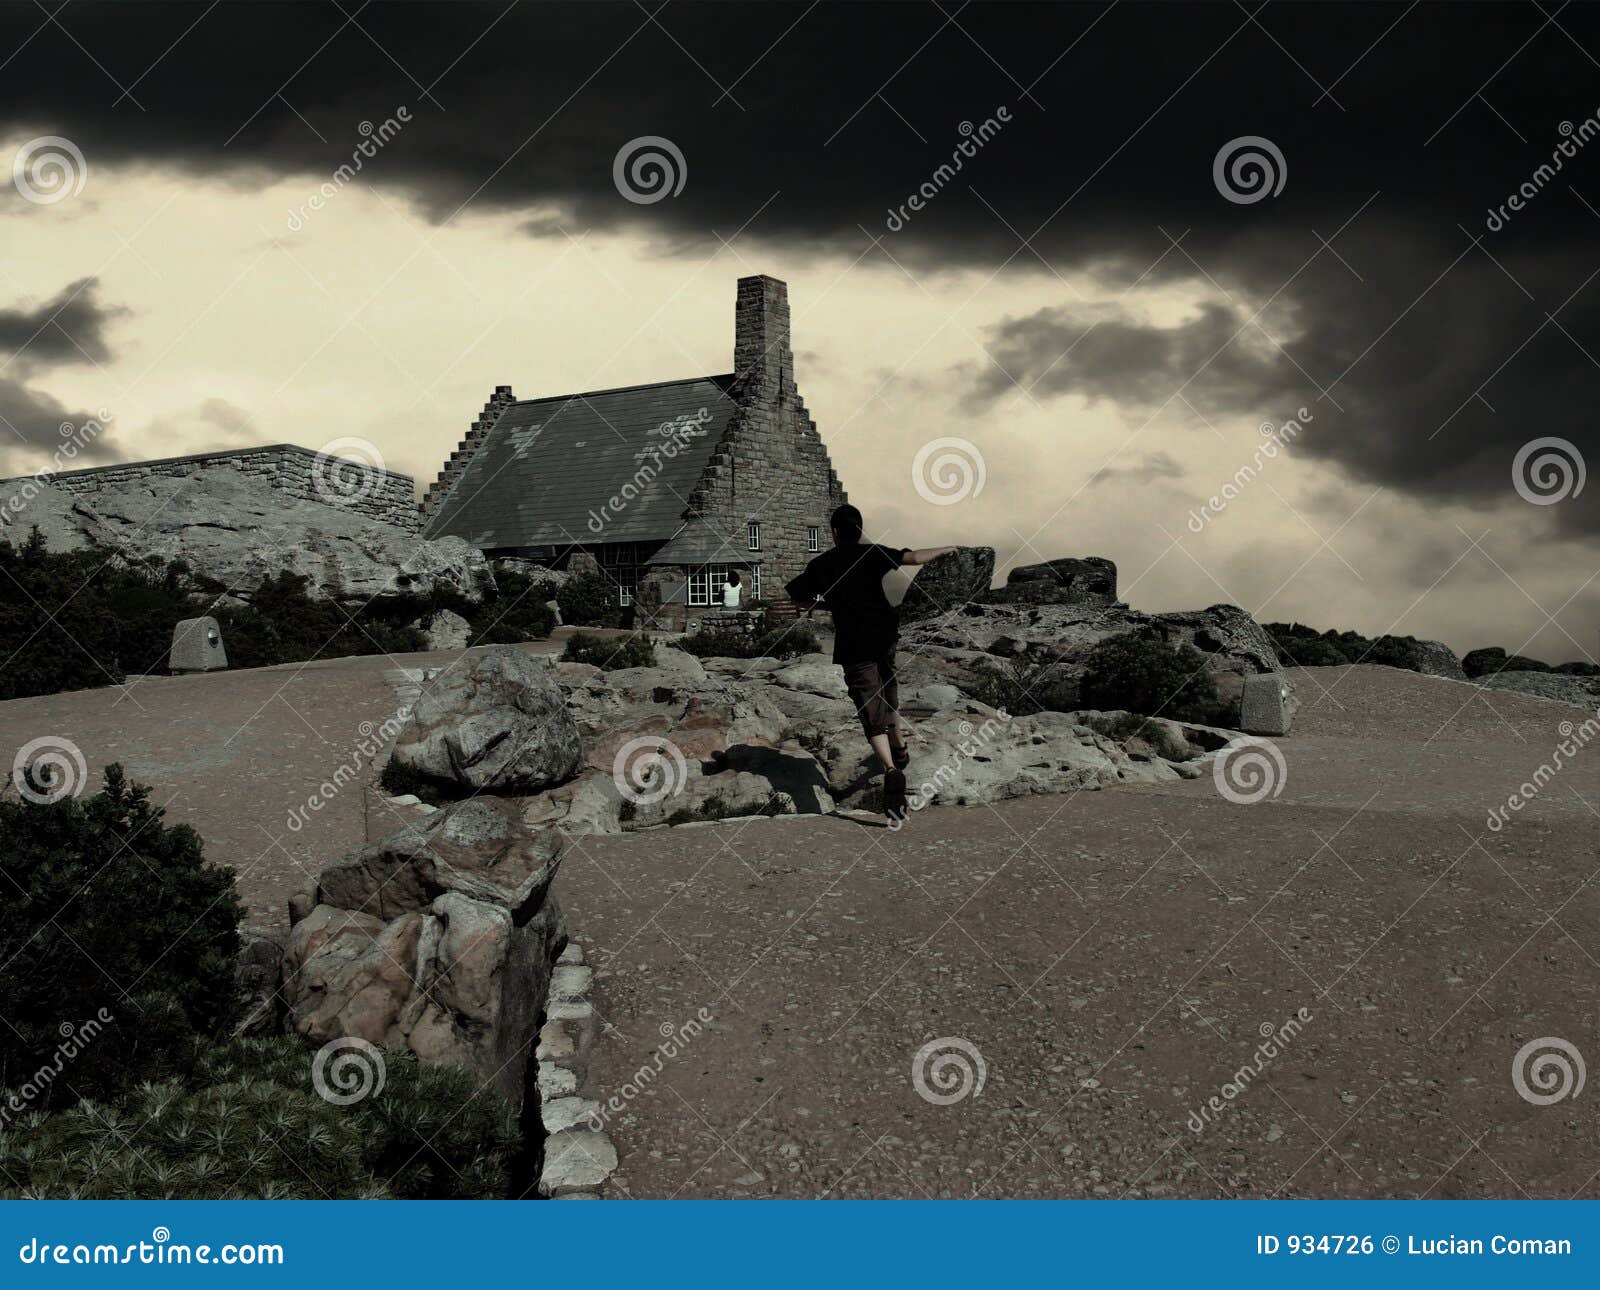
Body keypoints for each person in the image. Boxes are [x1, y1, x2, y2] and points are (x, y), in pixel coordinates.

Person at [785, 504, 957, 823]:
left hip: (853, 643)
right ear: (860, 529)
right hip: (884, 634)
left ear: (834, 532)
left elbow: (795, 594)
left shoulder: (821, 564)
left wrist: (826, 604)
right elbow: (913, 557)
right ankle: (900, 744)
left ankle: (891, 769)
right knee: (888, 686)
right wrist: (945, 549)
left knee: (868, 702)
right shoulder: (873, 553)